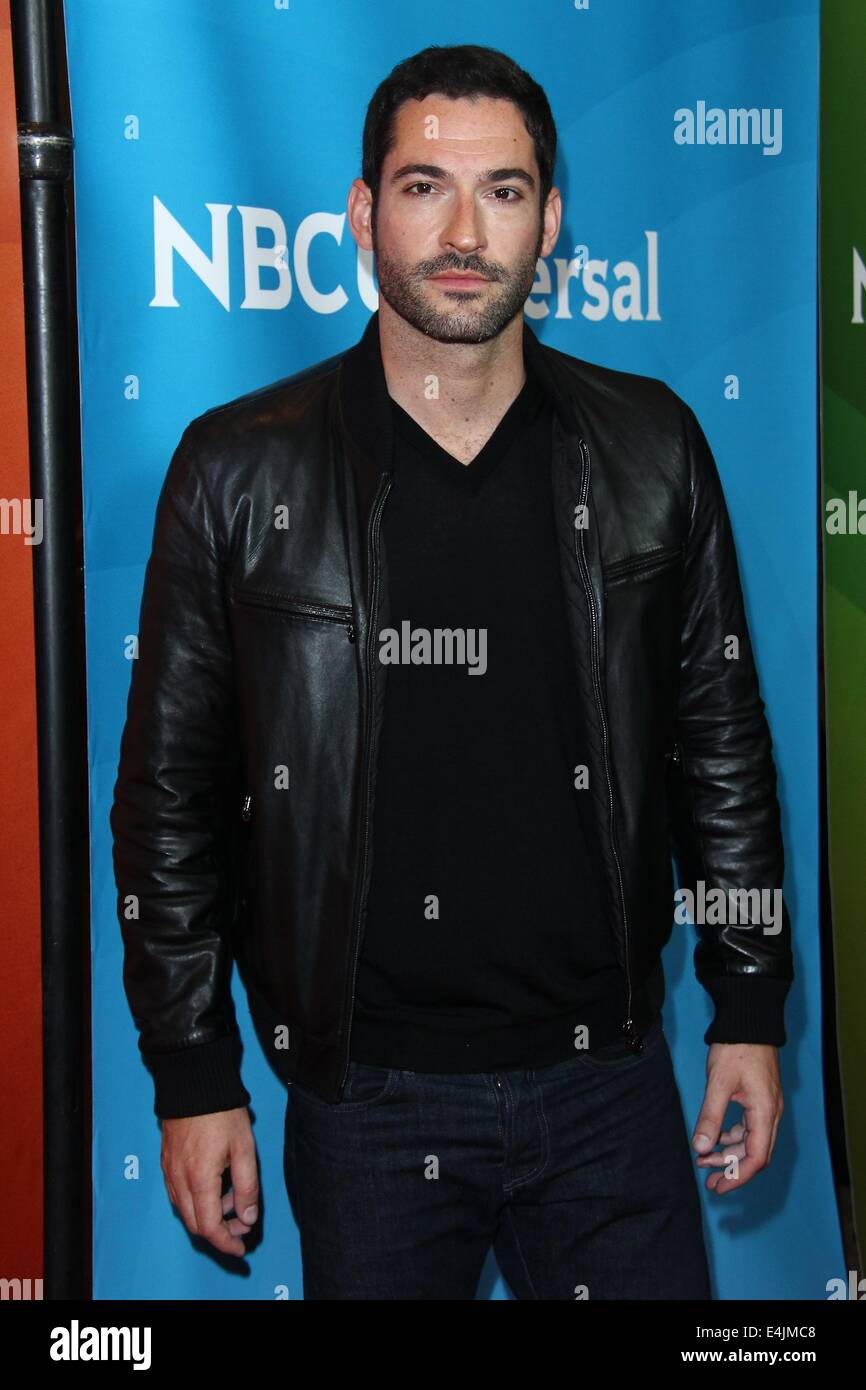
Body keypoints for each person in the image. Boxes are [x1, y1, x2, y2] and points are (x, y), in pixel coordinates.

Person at [111, 44, 794, 1300]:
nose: (467, 230)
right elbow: (168, 799)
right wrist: (193, 1075)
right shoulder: (236, 469)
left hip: (608, 1088)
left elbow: (722, 749)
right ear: (364, 214)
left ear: (554, 218)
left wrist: (746, 1004)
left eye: (507, 190)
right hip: (368, 1100)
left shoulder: (651, 450)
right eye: (426, 188)